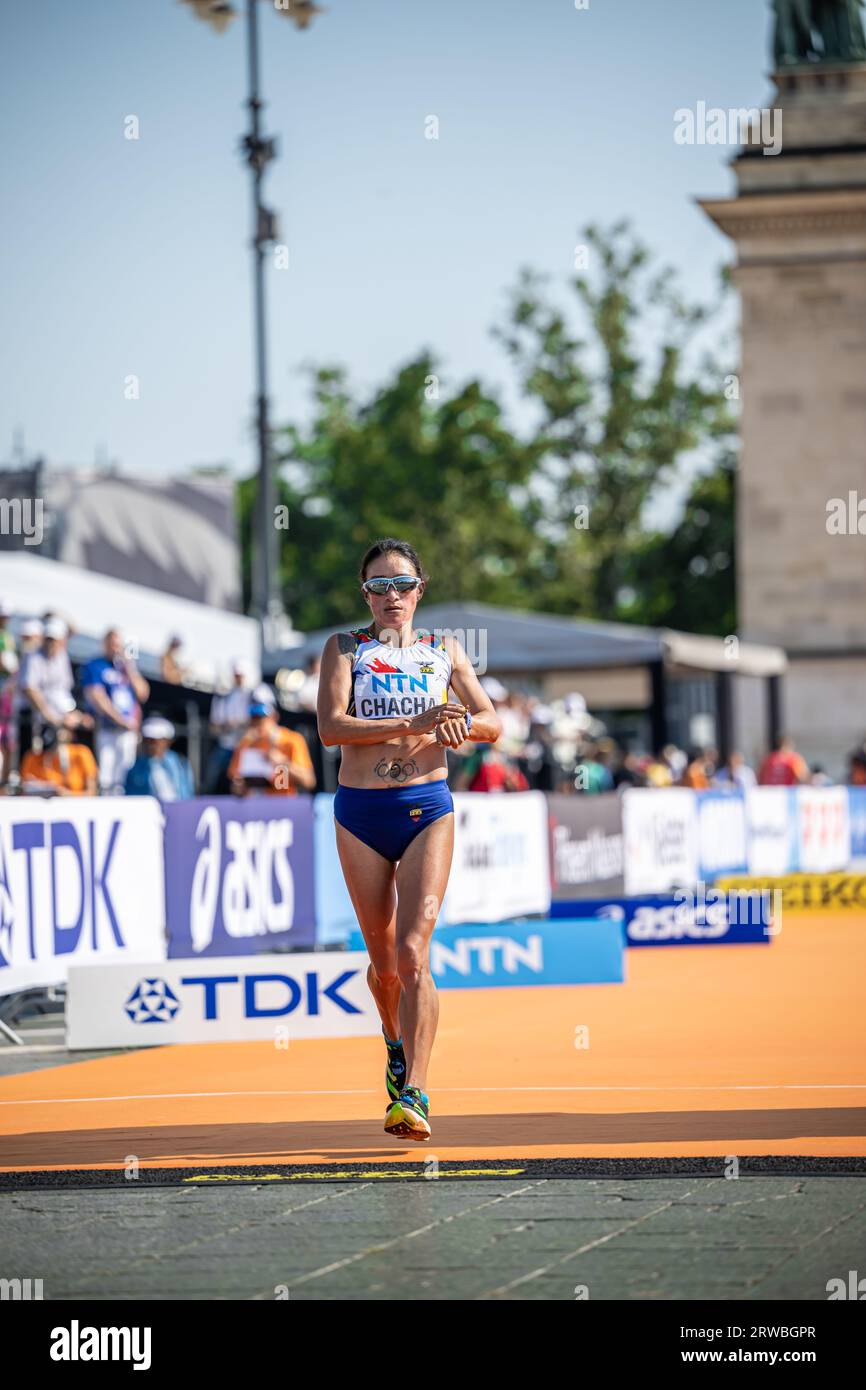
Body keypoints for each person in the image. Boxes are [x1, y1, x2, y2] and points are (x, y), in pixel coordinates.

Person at [316, 537, 501, 1143]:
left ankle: (415, 1091)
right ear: (363, 593)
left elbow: (493, 722)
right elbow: (330, 727)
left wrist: (458, 722)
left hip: (427, 808)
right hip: (361, 814)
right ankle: (394, 1045)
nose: (390, 595)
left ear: (420, 590)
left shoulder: (445, 650)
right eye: (377, 585)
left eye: (401, 584)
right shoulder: (344, 648)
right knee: (384, 962)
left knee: (415, 950)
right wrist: (413, 722)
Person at [81, 629, 150, 793]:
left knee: (124, 775)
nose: (115, 649)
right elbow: (97, 697)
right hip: (108, 728)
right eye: (112, 644)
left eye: (118, 645)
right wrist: (121, 720)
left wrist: (130, 668)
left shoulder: (125, 668)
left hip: (128, 732)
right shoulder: (96, 665)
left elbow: (143, 693)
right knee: (106, 775)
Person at [228, 687, 316, 796]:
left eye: (262, 718)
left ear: (274, 717)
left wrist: (282, 762)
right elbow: (235, 785)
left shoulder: (292, 740)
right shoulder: (246, 744)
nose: (257, 723)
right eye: (253, 718)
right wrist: (240, 786)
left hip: (284, 807)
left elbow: (309, 782)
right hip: (255, 807)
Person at [207, 659, 254, 791]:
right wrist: (229, 727)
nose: (238, 678)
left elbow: (254, 723)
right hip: (226, 746)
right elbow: (214, 726)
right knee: (213, 780)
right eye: (236, 675)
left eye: (241, 675)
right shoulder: (223, 697)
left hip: (246, 747)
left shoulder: (252, 695)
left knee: (245, 783)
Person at [20, 721, 98, 796]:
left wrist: (68, 794)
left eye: (54, 748)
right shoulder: (32, 757)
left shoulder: (81, 754)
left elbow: (92, 792)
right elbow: (24, 789)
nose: (50, 754)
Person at [124, 717, 194, 800]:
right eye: (147, 740)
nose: (151, 745)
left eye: (155, 741)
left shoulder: (180, 763)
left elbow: (187, 793)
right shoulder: (135, 767)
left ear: (167, 741)